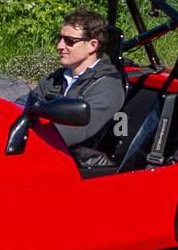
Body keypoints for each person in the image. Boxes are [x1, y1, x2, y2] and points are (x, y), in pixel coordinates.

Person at [34, 9, 125, 161]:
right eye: (60, 38)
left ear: (92, 45)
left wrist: (30, 133)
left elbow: (77, 130)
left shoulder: (108, 87)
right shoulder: (58, 77)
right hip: (49, 153)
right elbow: (26, 104)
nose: (60, 46)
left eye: (69, 41)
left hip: (79, 164)